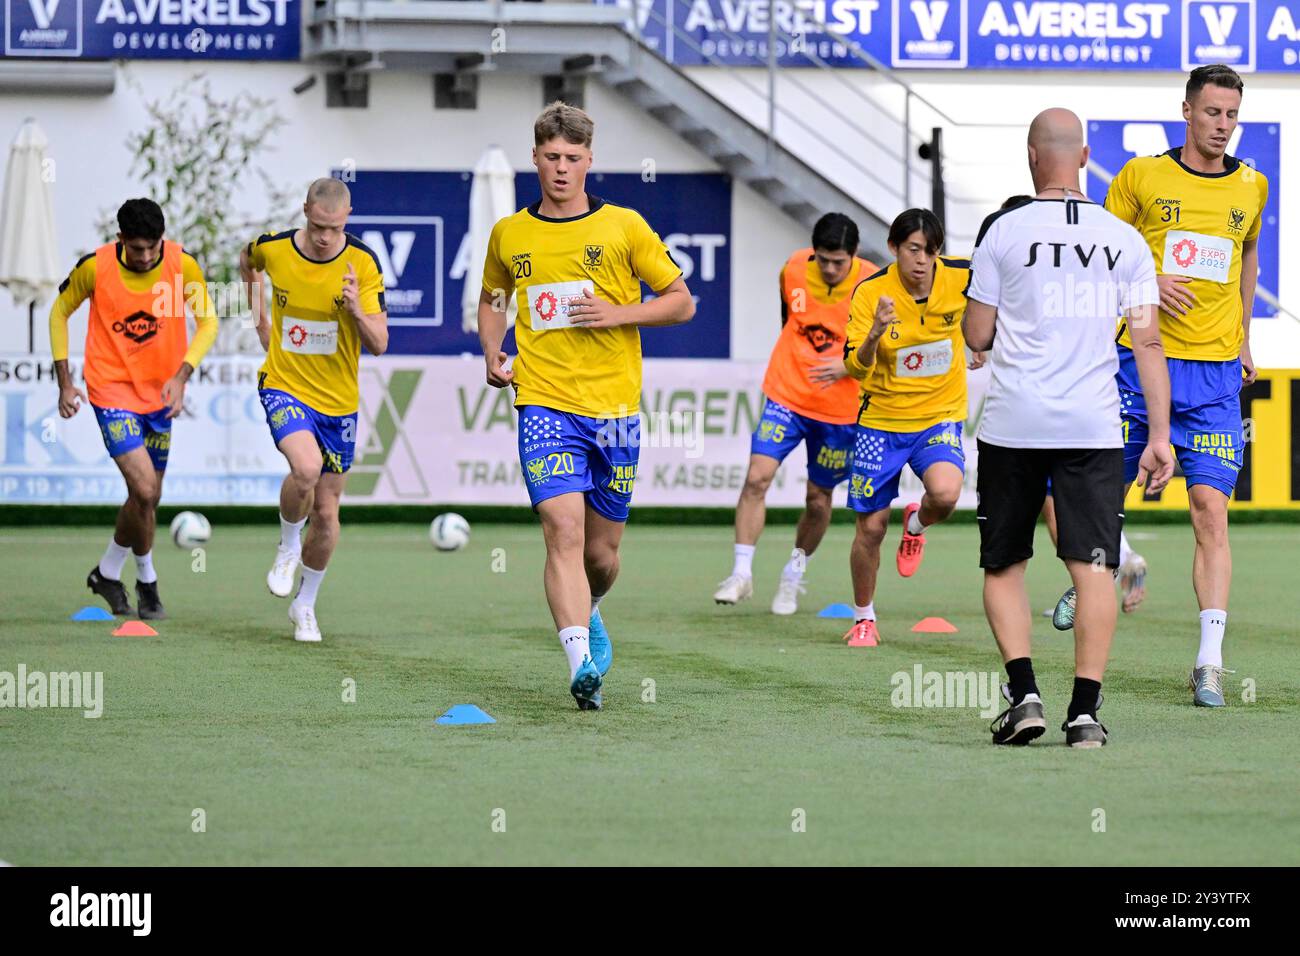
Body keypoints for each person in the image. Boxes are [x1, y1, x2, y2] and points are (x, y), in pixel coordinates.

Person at [963, 108, 1174, 748]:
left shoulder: (1002, 232)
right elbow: (1148, 344)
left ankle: (1024, 695)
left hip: (1014, 422)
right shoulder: (1125, 240)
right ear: (1084, 157)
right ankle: (1084, 713)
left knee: (1005, 566)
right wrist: (1160, 436)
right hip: (1093, 425)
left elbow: (977, 335)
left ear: (1031, 157)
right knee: (1094, 568)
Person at [477, 102, 694, 710]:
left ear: (590, 161)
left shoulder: (623, 226)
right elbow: (493, 297)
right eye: (552, 157)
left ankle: (593, 609)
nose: (562, 168)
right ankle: (579, 665)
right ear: (536, 158)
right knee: (562, 531)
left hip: (615, 412)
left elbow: (681, 302)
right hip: (543, 403)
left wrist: (619, 312)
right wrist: (493, 349)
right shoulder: (509, 233)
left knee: (601, 555)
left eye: (574, 158)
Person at [1103, 64, 1267, 707]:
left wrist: (1247, 333)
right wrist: (1141, 283)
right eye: (1212, 113)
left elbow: (1247, 254)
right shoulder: (1141, 176)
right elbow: (1103, 251)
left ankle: (1209, 660)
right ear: (1187, 111)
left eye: (1231, 115)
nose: (1222, 125)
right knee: (1081, 497)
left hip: (1216, 373)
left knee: (1210, 513)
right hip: (1136, 364)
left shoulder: (1252, 185)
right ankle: (1104, 560)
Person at [51, 198, 217, 619]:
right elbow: (59, 312)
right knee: (145, 490)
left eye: (152, 247)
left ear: (162, 238)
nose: (145, 257)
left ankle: (106, 572)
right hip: (110, 392)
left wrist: (181, 376)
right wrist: (66, 382)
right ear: (120, 238)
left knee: (147, 496)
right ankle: (147, 581)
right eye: (136, 247)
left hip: (159, 396)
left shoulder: (182, 265)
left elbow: (209, 322)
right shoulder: (96, 266)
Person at [240, 178, 388, 643]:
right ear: (304, 210)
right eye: (317, 225)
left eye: (334, 227)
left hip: (338, 403)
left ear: (348, 218)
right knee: (306, 468)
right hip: (284, 384)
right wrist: (258, 316)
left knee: (326, 513)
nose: (325, 236)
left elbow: (380, 343)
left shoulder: (362, 262)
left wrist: (356, 311)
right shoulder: (275, 248)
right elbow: (248, 262)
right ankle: (287, 546)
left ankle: (304, 604)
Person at [713, 213, 874, 615]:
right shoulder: (793, 268)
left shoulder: (873, 284)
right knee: (756, 478)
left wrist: (848, 366)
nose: (831, 269)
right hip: (786, 394)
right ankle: (741, 573)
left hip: (840, 411)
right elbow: (789, 322)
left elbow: (883, 348)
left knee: (819, 501)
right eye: (824, 260)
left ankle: (793, 572)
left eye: (839, 261)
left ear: (854, 256)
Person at [833, 209, 973, 646]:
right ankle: (864, 618)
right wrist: (875, 332)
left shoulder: (962, 277)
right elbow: (854, 367)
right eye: (913, 249)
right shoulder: (869, 293)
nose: (922, 261)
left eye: (930, 252)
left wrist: (982, 339)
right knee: (871, 529)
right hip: (881, 420)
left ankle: (915, 525)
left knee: (947, 494)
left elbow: (1000, 301)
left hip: (938, 414)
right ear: (894, 248)